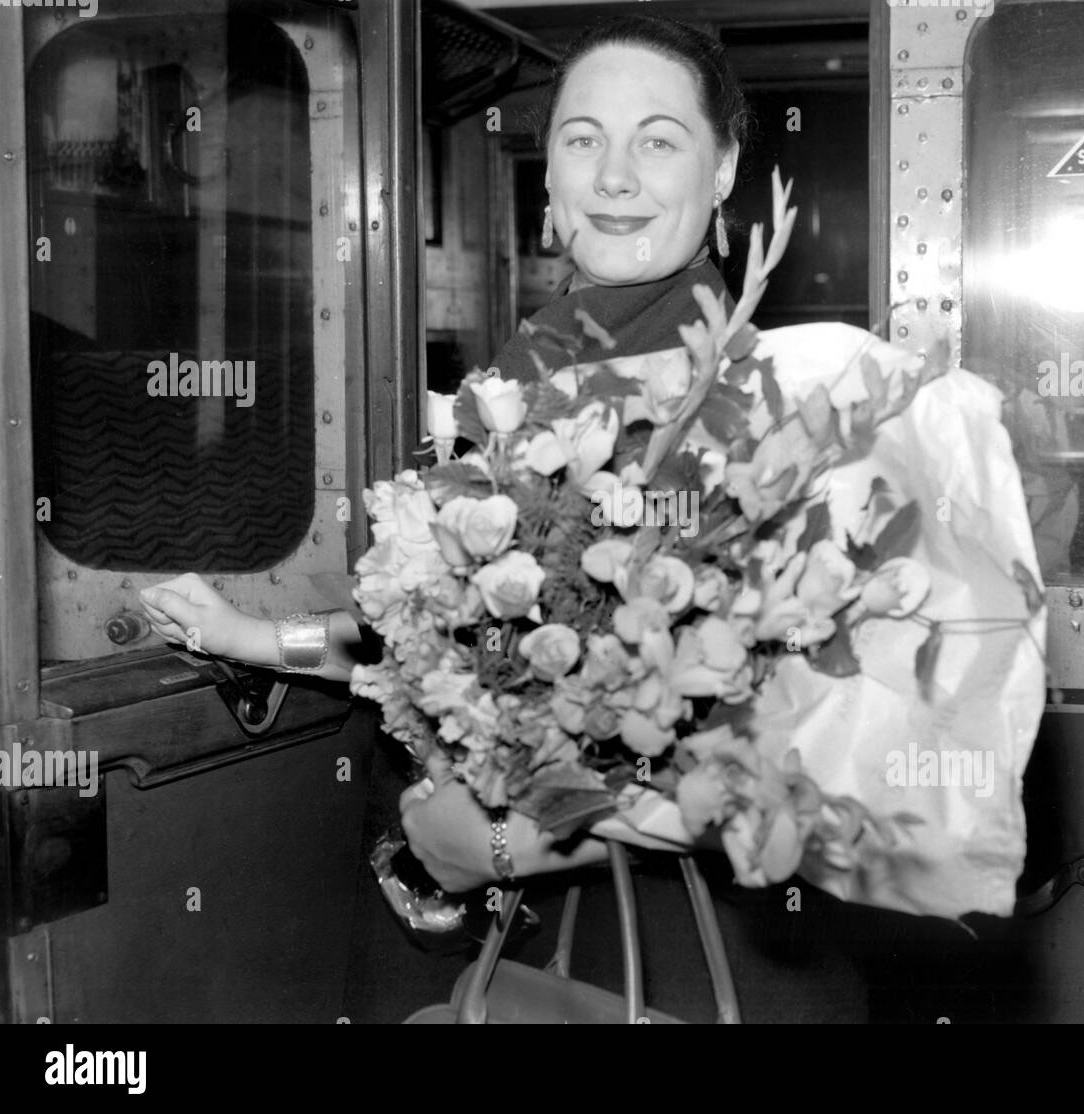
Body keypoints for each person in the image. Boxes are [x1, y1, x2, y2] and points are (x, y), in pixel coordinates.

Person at [139, 14, 749, 898]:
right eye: (585, 140)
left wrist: (510, 845)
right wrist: (248, 638)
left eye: (659, 141)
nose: (615, 176)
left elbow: (747, 749)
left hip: (668, 928)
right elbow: (426, 640)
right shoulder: (554, 358)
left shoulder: (734, 400)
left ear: (722, 167)